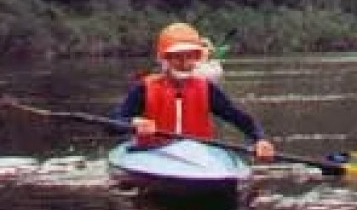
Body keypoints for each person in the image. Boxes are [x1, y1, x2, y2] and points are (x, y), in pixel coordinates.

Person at [114, 23, 275, 160]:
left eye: (190, 56)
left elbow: (241, 119)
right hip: (153, 154)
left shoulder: (207, 88)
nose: (184, 63)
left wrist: (260, 140)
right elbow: (115, 122)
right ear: (163, 58)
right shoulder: (144, 88)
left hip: (198, 156)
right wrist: (133, 123)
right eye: (177, 57)